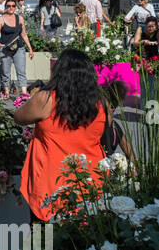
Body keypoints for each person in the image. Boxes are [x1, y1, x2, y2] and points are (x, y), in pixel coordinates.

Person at [14, 48, 108, 221]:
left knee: (43, 242)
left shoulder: (47, 99)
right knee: (87, 244)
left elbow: (19, 117)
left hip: (50, 184)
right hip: (91, 181)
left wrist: (33, 97)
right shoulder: (102, 103)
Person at [0, 0, 34, 99]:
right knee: (5, 72)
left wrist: (30, 48)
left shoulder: (20, 19)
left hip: (18, 48)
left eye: (13, 6)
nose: (11, 8)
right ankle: (6, 92)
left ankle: (24, 93)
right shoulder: (1, 19)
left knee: (21, 71)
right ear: (5, 7)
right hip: (5, 48)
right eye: (8, 6)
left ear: (16, 7)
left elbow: (24, 34)